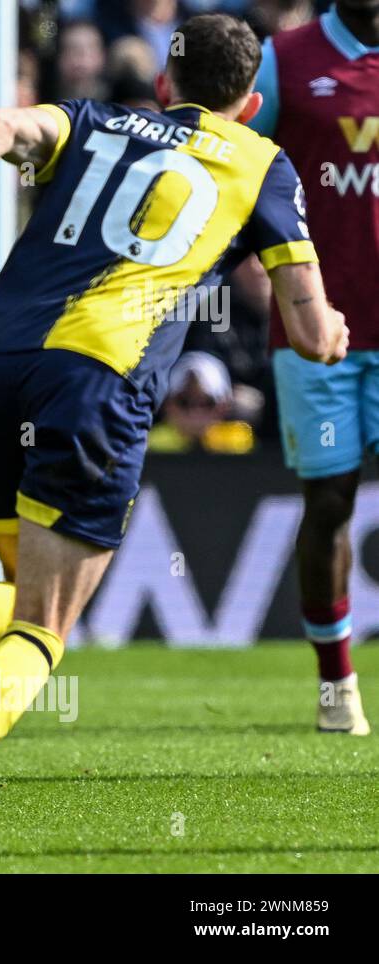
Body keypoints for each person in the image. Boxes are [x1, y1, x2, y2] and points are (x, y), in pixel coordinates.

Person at [0, 13, 345, 856]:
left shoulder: (89, 117)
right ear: (250, 102)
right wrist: (329, 328)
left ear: (162, 85)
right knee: (45, 630)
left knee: (19, 589)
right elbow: (307, 325)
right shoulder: (262, 162)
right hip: (96, 379)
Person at [247, 0, 379, 735]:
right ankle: (337, 690)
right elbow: (240, 162)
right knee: (329, 502)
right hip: (318, 327)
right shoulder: (285, 60)